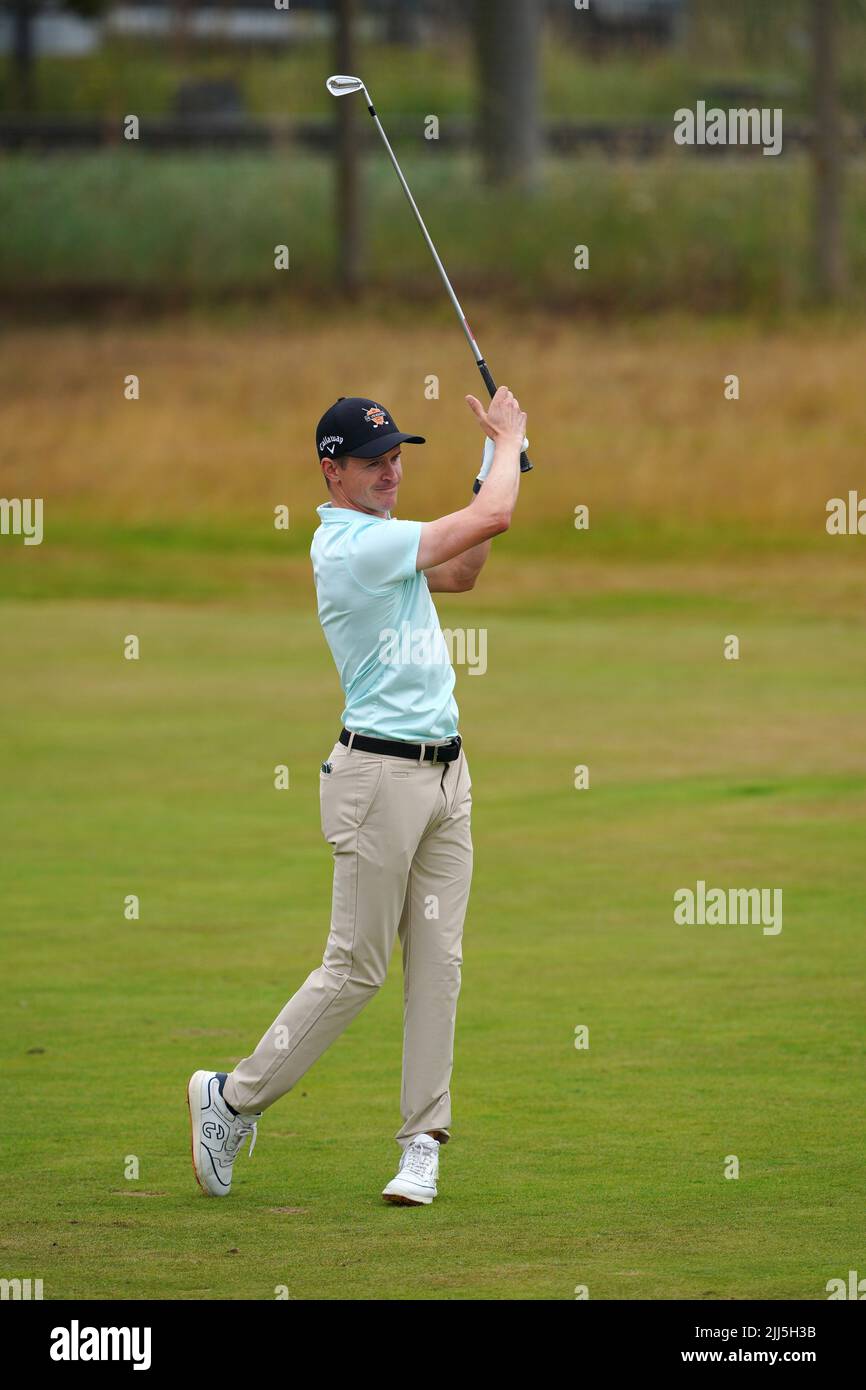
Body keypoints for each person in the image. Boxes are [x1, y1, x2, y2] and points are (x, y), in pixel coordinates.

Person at [188, 385, 527, 1205]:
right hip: (377, 779)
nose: (391, 473)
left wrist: (493, 455)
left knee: (438, 966)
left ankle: (421, 1144)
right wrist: (512, 447)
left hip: (448, 775)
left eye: (398, 458)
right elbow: (491, 522)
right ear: (331, 471)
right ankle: (230, 1099)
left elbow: (468, 567)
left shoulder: (387, 539)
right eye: (375, 462)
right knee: (356, 969)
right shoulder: (349, 546)